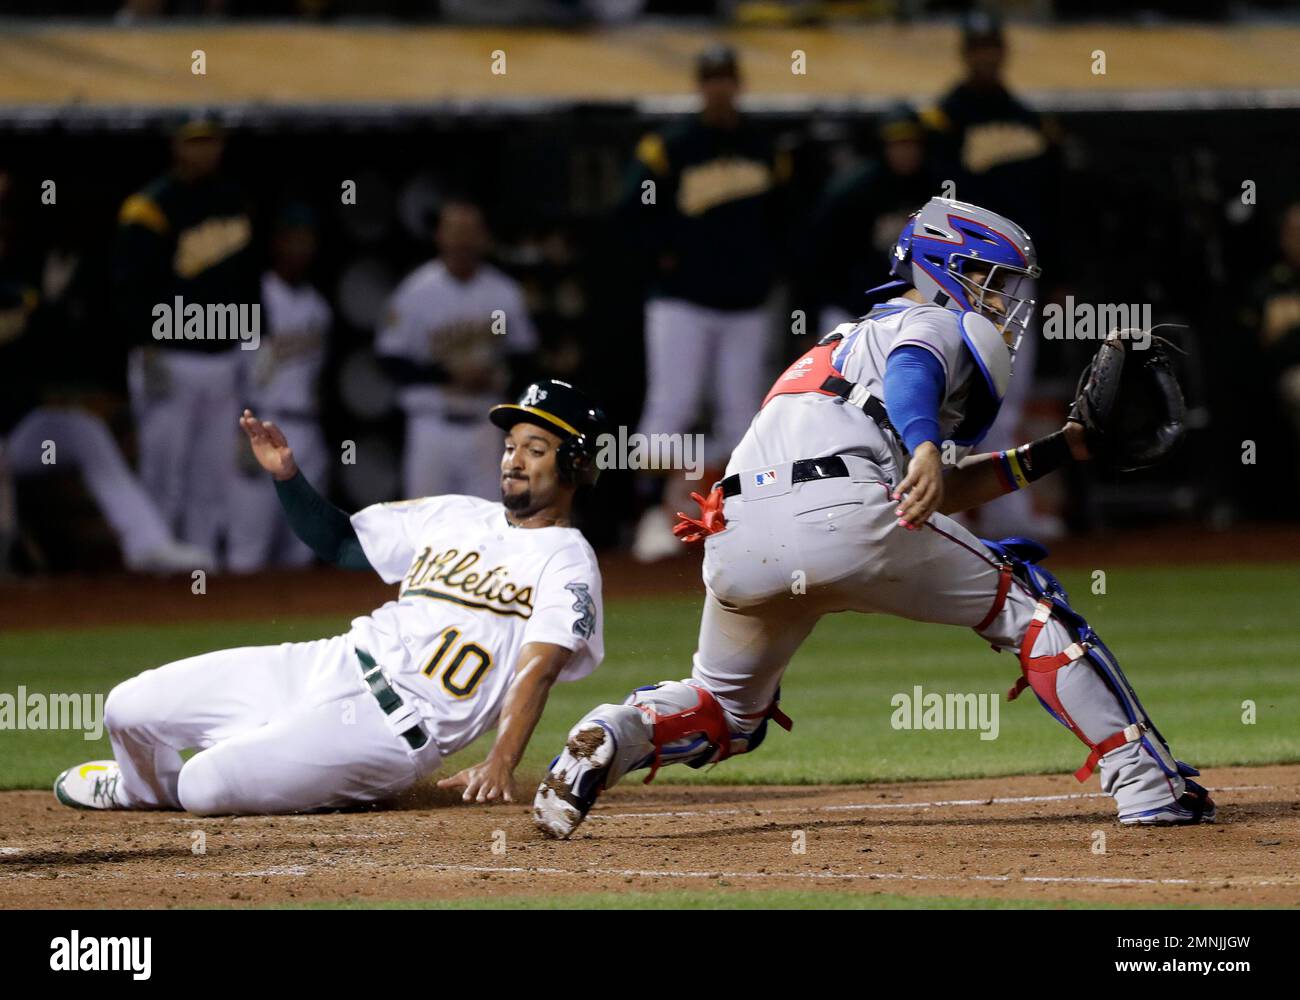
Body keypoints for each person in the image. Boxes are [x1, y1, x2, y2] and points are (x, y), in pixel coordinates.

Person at [533, 197, 1215, 839]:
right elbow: (914, 375)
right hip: (842, 512)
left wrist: (1057, 450)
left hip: (739, 533)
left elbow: (923, 493)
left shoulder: (840, 345)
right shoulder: (928, 322)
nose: (1006, 301)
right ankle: (1147, 783)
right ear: (945, 268)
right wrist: (922, 442)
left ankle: (616, 731)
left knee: (726, 712)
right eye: (992, 279)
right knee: (1033, 611)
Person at [53, 379, 608, 816]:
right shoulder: (456, 514)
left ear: (576, 465)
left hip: (391, 733)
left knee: (203, 785)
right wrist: (288, 478)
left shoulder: (566, 560)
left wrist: (500, 761)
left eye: (535, 449)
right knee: (127, 707)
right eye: (510, 446)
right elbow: (343, 542)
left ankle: (276, 773)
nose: (512, 459)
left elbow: (538, 669)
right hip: (330, 661)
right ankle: (145, 791)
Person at [625, 44, 791, 561]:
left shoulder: (766, 148)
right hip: (682, 302)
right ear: (701, 86)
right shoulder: (670, 147)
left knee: (742, 419)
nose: (720, 87)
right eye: (711, 78)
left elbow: (785, 223)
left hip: (744, 302)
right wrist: (665, 257)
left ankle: (733, 517)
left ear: (738, 83)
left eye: (727, 77)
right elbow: (632, 212)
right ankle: (652, 514)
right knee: (669, 409)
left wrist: (766, 271)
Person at [0, 169, 208, 575]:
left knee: (85, 432)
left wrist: (49, 306)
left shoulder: (18, 280)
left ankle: (148, 544)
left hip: (18, 430)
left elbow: (43, 346)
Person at [112, 111, 259, 565]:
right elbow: (128, 285)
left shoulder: (234, 199)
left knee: (211, 474)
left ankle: (199, 574)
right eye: (194, 141)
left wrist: (257, 338)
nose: (203, 150)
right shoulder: (150, 206)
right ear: (176, 145)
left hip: (221, 355)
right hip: (171, 354)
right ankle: (153, 563)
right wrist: (144, 346)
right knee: (163, 472)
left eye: (210, 141)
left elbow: (245, 279)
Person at [376, 198, 538, 502]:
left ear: (484, 237)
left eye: (470, 231)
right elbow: (390, 360)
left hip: (485, 426)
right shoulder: (416, 291)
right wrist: (446, 374)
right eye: (454, 230)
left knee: (486, 526)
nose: (462, 240)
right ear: (439, 236)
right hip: (430, 426)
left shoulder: (504, 293)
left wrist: (500, 376)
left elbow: (525, 357)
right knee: (425, 527)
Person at [227, 203, 332, 572]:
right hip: (260, 425)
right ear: (276, 242)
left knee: (301, 548)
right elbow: (234, 372)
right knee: (248, 547)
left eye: (307, 240)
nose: (300, 248)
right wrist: (238, 431)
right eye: (292, 238)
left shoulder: (319, 306)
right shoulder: (254, 295)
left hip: (306, 428)